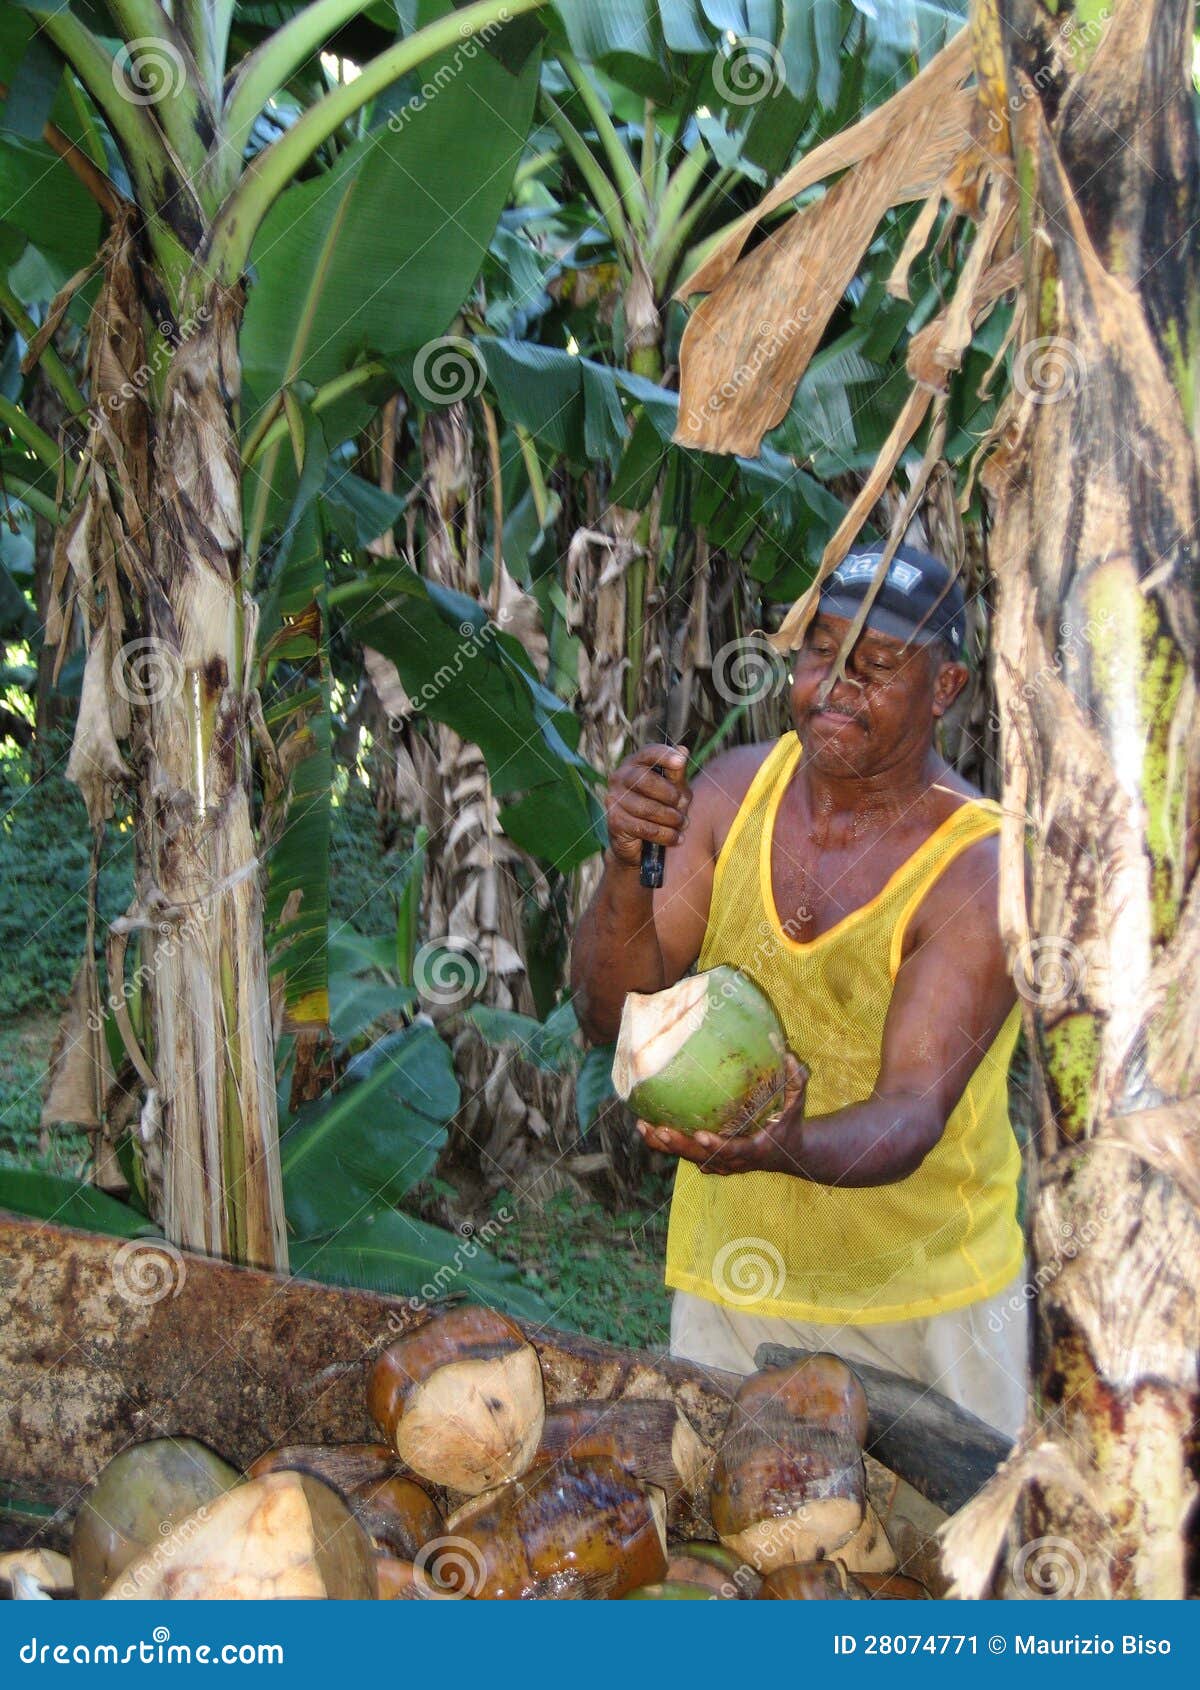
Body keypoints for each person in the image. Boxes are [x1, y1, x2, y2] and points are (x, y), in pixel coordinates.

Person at [571, 543, 1028, 1438]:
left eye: (875, 667)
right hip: (735, 1282)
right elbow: (608, 1017)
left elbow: (910, 1115)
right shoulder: (731, 798)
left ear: (947, 687)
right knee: (733, 1553)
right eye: (820, 652)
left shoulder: (977, 868)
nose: (833, 687)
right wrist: (629, 865)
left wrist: (781, 1147)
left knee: (944, 1565)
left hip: (925, 1300)